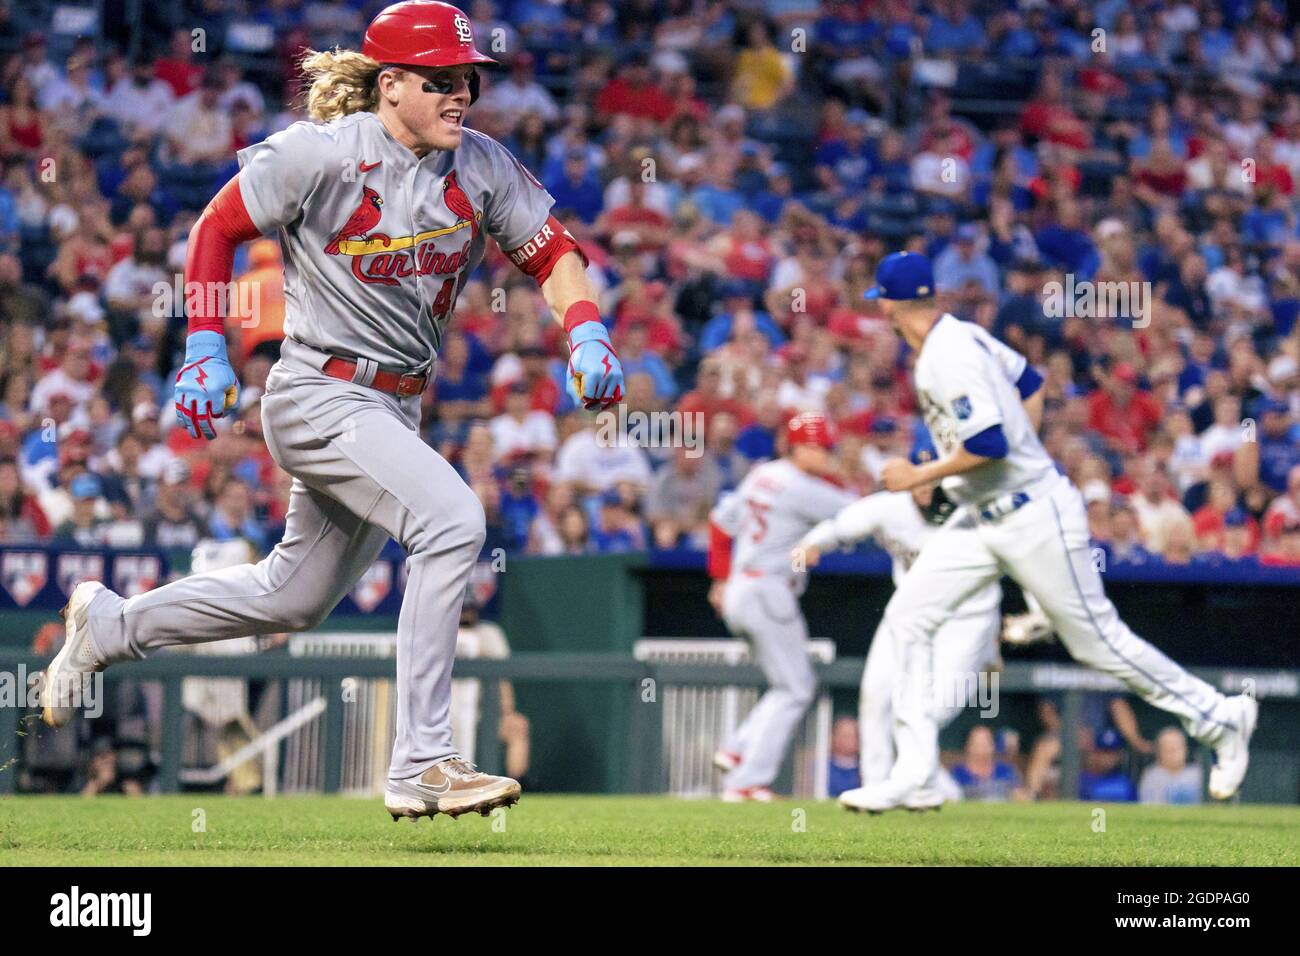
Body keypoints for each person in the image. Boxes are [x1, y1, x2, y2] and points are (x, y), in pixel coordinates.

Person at [40, 1, 625, 824]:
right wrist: (205, 343)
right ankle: (422, 761)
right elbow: (217, 226)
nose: (461, 93)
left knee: (292, 597)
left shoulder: (481, 165)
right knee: (453, 519)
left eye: (468, 80)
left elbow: (556, 252)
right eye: (440, 80)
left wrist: (587, 333)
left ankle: (111, 626)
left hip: (394, 410)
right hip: (319, 390)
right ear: (390, 85)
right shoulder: (320, 153)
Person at [846, 251, 1255, 812]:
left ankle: (1221, 717)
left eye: (881, 302)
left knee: (1098, 644)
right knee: (907, 617)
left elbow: (989, 443)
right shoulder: (966, 335)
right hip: (982, 517)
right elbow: (1031, 383)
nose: (881, 311)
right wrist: (1025, 447)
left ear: (892, 303)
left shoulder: (946, 356)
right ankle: (914, 773)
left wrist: (919, 473)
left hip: (1031, 515)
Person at [794, 434, 1005, 808]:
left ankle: (918, 782)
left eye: (929, 476)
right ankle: (878, 786)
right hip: (909, 614)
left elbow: (1018, 553)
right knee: (875, 694)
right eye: (915, 476)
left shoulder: (970, 510)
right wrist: (809, 546)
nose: (922, 486)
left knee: (934, 709)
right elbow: (841, 526)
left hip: (966, 620)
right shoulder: (890, 506)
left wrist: (994, 638)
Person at [706, 413, 856, 801]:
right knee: (797, 688)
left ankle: (736, 748)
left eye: (826, 447)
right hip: (770, 591)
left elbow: (721, 523)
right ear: (798, 447)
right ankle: (746, 781)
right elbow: (858, 515)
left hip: (741, 587)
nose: (825, 454)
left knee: (785, 685)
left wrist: (720, 578)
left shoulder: (762, 474)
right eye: (818, 447)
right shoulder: (803, 487)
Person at [1139, 727, 1204, 805]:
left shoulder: (1199, 774)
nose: (1172, 753)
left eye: (1176, 748)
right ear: (1159, 752)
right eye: (1167, 748)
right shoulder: (1152, 776)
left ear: (1186, 750)